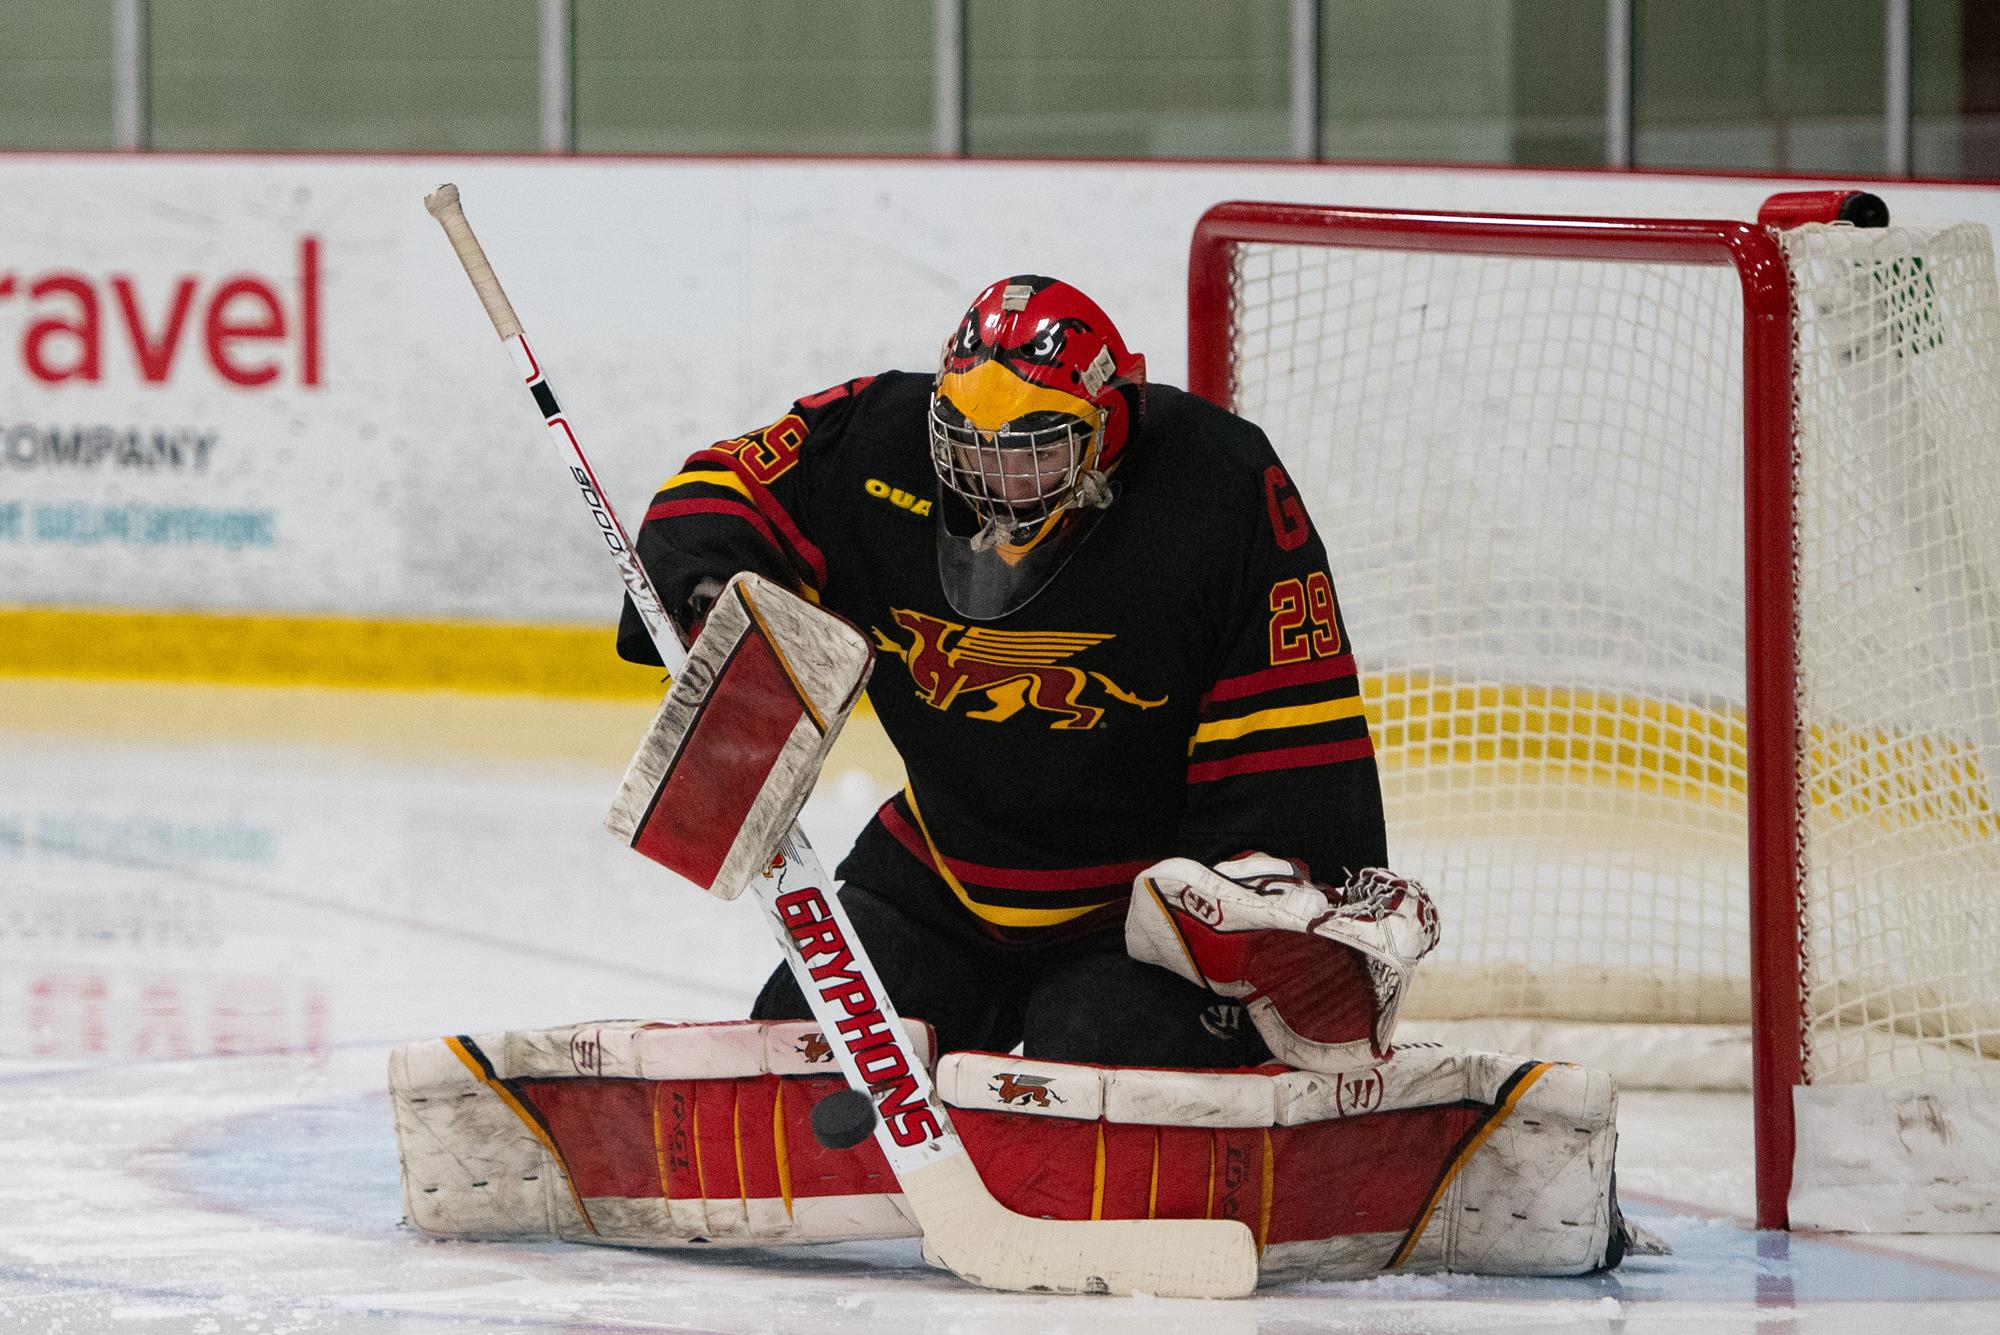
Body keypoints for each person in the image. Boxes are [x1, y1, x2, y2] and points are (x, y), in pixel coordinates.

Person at [618, 275, 1386, 1068]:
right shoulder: (876, 436)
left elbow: (1291, 718)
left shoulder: (1219, 484)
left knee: (1091, 1057)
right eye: (970, 448)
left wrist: (1274, 896)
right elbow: (725, 481)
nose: (996, 486)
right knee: (799, 1054)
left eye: (1034, 452)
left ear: (1110, 425)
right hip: (944, 877)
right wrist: (706, 585)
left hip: (1141, 910)